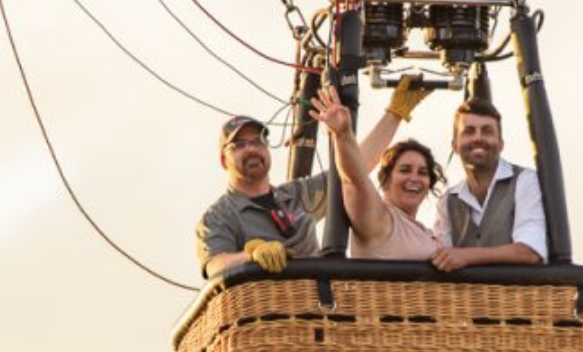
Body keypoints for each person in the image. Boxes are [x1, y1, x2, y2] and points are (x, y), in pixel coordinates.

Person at [196, 81, 431, 277]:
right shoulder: (219, 216)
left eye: (257, 142)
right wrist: (251, 256)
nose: (251, 149)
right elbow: (214, 265)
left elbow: (354, 169)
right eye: (239, 145)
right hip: (267, 319)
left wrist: (396, 113)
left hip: (315, 315)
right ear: (223, 160)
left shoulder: (296, 195)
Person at [309, 87, 443, 260]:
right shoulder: (381, 220)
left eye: (423, 172)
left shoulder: (426, 232)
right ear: (385, 179)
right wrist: (343, 135)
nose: (414, 178)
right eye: (405, 170)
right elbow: (353, 179)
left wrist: (397, 112)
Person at [431, 99, 547, 271]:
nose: (478, 138)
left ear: (501, 144)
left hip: (521, 297)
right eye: (469, 131)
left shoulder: (525, 181)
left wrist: (466, 256)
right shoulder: (447, 201)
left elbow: (530, 251)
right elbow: (441, 256)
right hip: (466, 298)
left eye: (487, 131)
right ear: (454, 145)